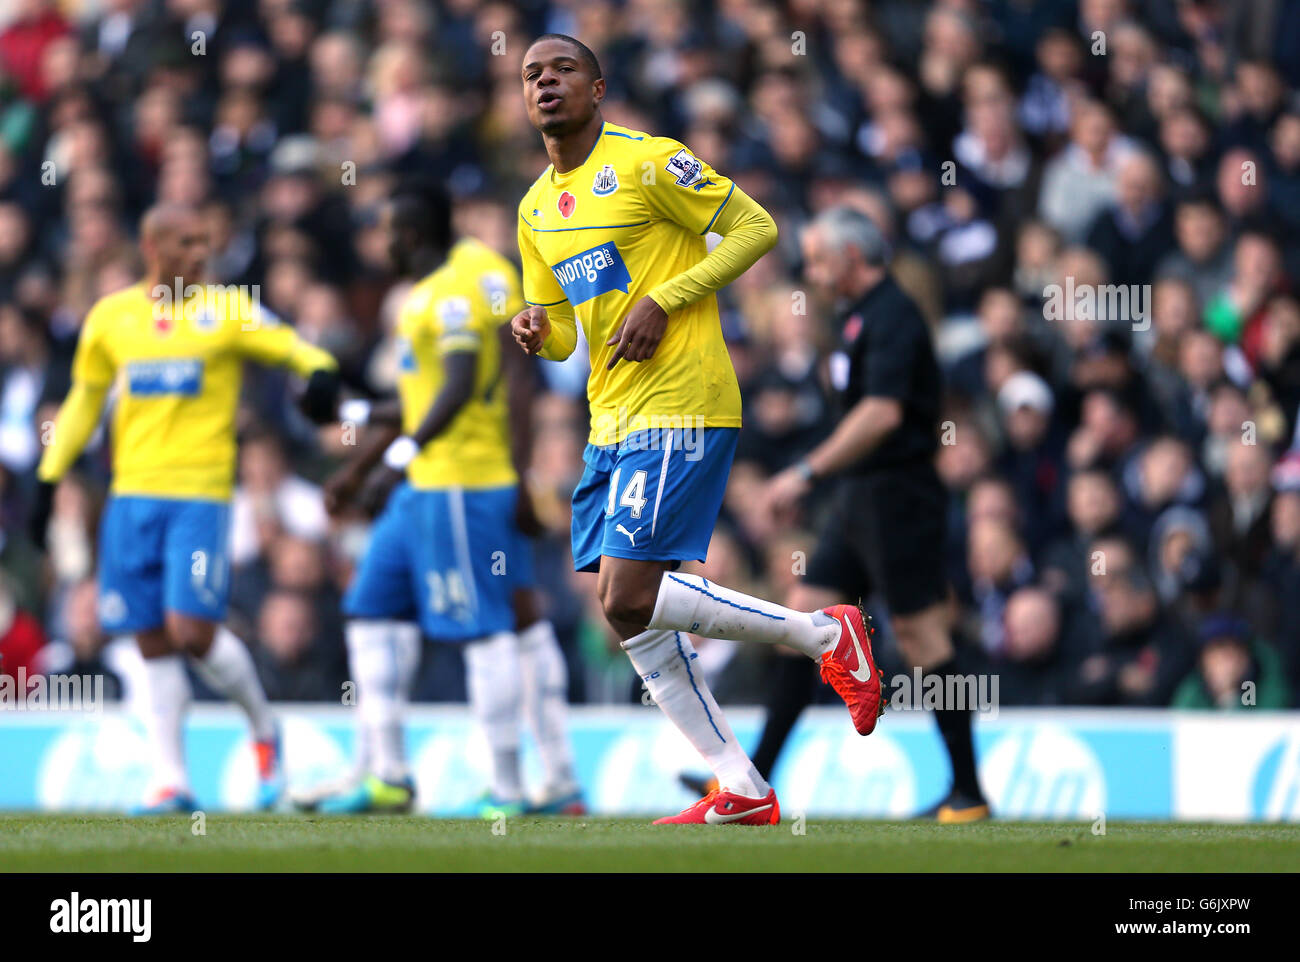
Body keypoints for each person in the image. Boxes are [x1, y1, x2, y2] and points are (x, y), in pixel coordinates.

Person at [511, 34, 882, 827]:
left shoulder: (648, 162)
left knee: (629, 591)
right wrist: (533, 329)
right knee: (623, 612)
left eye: (563, 69)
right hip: (609, 414)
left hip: (683, 399)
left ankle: (824, 635)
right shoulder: (535, 208)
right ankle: (740, 785)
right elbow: (565, 335)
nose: (546, 81)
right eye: (532, 73)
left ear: (599, 87)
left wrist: (666, 298)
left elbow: (756, 228)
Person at [31, 202, 341, 813]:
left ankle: (262, 729)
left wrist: (323, 370)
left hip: (199, 497)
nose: (199, 255)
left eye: (204, 243)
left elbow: (293, 347)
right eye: (186, 243)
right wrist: (49, 478)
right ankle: (171, 780)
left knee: (191, 630)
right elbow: (83, 404)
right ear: (152, 249)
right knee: (150, 640)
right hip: (130, 501)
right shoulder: (112, 319)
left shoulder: (226, 309)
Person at [308, 186, 582, 816]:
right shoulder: (448, 286)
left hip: (461, 483)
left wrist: (512, 473)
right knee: (373, 608)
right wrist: (355, 446)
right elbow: (419, 399)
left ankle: (512, 787)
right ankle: (388, 775)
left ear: (413, 233)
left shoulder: (457, 290)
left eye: (389, 233)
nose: (382, 247)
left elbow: (479, 383)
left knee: (493, 625)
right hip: (427, 484)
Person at [762, 206, 991, 822]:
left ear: (851, 257)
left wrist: (806, 471)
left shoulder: (893, 316)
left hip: (898, 496)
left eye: (818, 258)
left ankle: (968, 793)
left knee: (922, 635)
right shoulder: (856, 316)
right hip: (859, 497)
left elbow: (883, 414)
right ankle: (750, 783)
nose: (811, 271)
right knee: (801, 623)